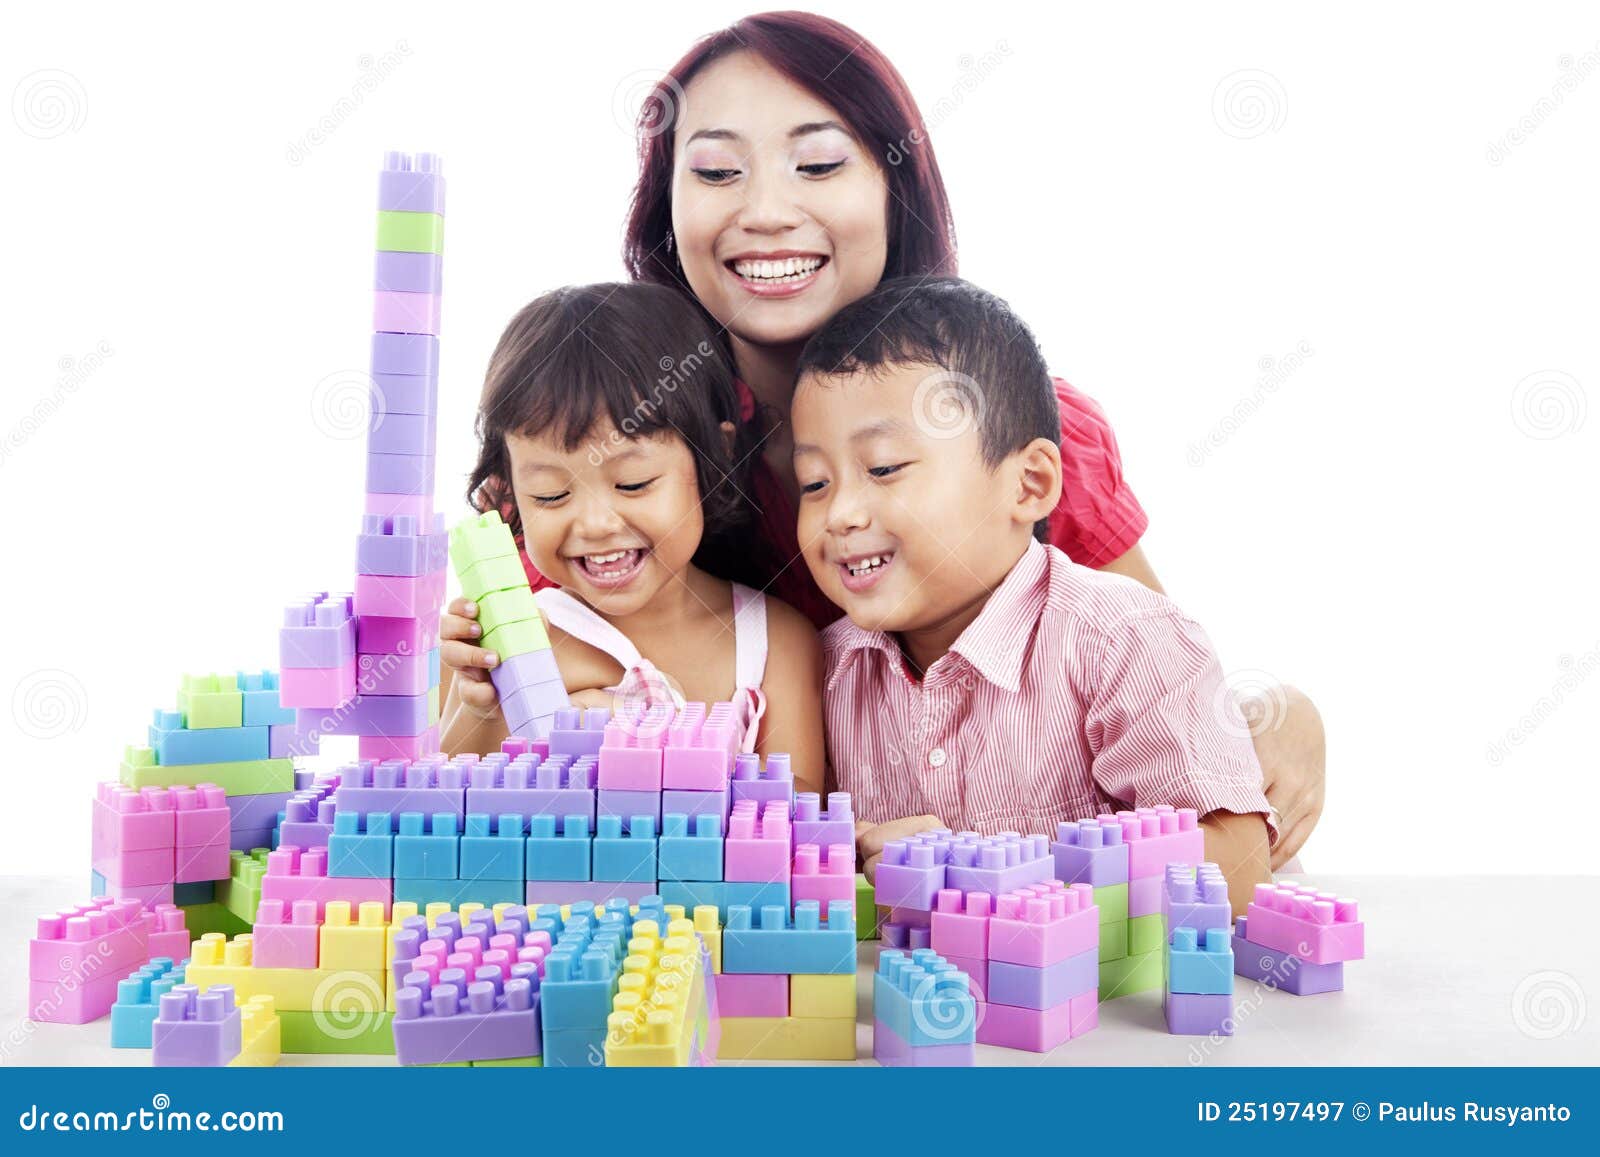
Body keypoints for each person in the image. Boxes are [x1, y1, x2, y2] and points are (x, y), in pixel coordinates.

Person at [792, 276, 1272, 911]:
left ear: (1029, 484)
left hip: (1106, 1008)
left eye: (883, 468)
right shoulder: (820, 671)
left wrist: (994, 873)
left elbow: (1237, 864)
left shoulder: (1125, 638)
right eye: (814, 482)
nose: (842, 513)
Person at [438, 282, 825, 794]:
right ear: (510, 492)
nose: (595, 524)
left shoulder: (777, 643)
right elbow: (441, 807)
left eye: (633, 484)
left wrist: (649, 754)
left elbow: (800, 816)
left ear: (715, 457)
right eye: (551, 495)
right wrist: (478, 706)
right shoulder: (502, 643)